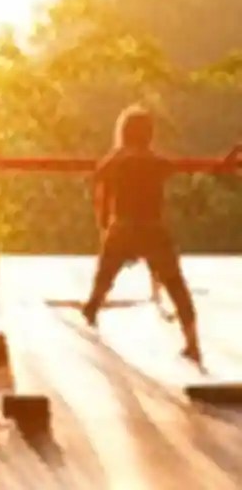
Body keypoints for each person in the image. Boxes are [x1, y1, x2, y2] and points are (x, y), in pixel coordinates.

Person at [82, 104, 236, 362]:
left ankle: (90, 319)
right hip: (153, 229)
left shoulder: (116, 161)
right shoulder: (157, 162)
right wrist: (226, 161)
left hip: (123, 226)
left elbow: (99, 185)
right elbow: (194, 172)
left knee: (102, 282)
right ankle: (192, 342)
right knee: (176, 286)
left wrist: (104, 225)